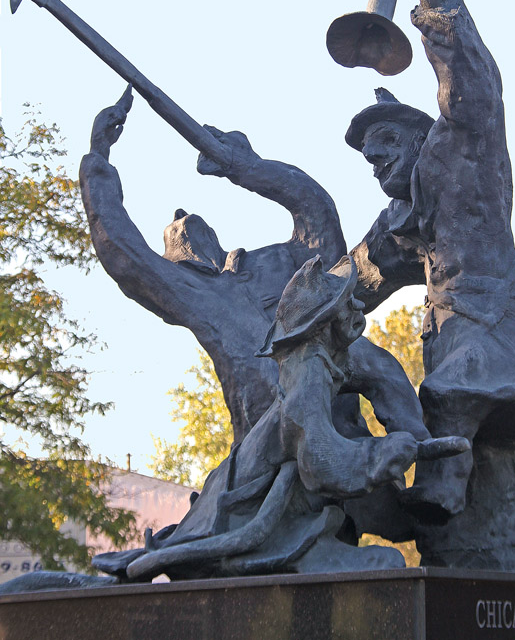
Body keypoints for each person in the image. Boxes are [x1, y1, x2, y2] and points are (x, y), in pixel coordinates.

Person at [80, 87, 435, 540]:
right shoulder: (200, 297)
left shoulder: (286, 265)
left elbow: (314, 207)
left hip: (339, 411)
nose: (181, 215)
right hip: (276, 447)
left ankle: (431, 464)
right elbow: (124, 253)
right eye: (176, 230)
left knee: (378, 366)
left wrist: (244, 167)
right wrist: (98, 161)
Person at [347, 0, 515, 519]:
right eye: (368, 160)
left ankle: (443, 487)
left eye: (385, 145)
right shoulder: (400, 219)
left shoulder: (461, 153)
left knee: (448, 395)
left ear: (420, 138)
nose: (376, 164)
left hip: (488, 331)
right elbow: (354, 278)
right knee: (441, 394)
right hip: (449, 344)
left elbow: (472, 89)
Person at [93, 255, 467, 581]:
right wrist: (382, 453)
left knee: (387, 562)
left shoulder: (325, 360)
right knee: (387, 563)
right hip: (254, 517)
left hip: (282, 509)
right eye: (344, 302)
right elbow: (320, 464)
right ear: (324, 323)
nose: (356, 306)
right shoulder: (306, 375)